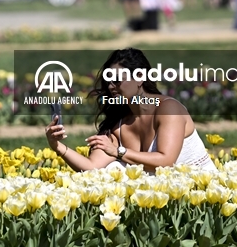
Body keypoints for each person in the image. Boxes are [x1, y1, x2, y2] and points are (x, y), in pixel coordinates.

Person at [45, 48, 216, 173]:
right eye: (108, 81)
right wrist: (58, 146)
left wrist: (118, 152)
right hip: (166, 201)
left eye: (117, 80)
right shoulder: (118, 126)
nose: (111, 87)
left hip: (204, 195)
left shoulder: (168, 109)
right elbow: (91, 167)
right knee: (110, 170)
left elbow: (166, 161)